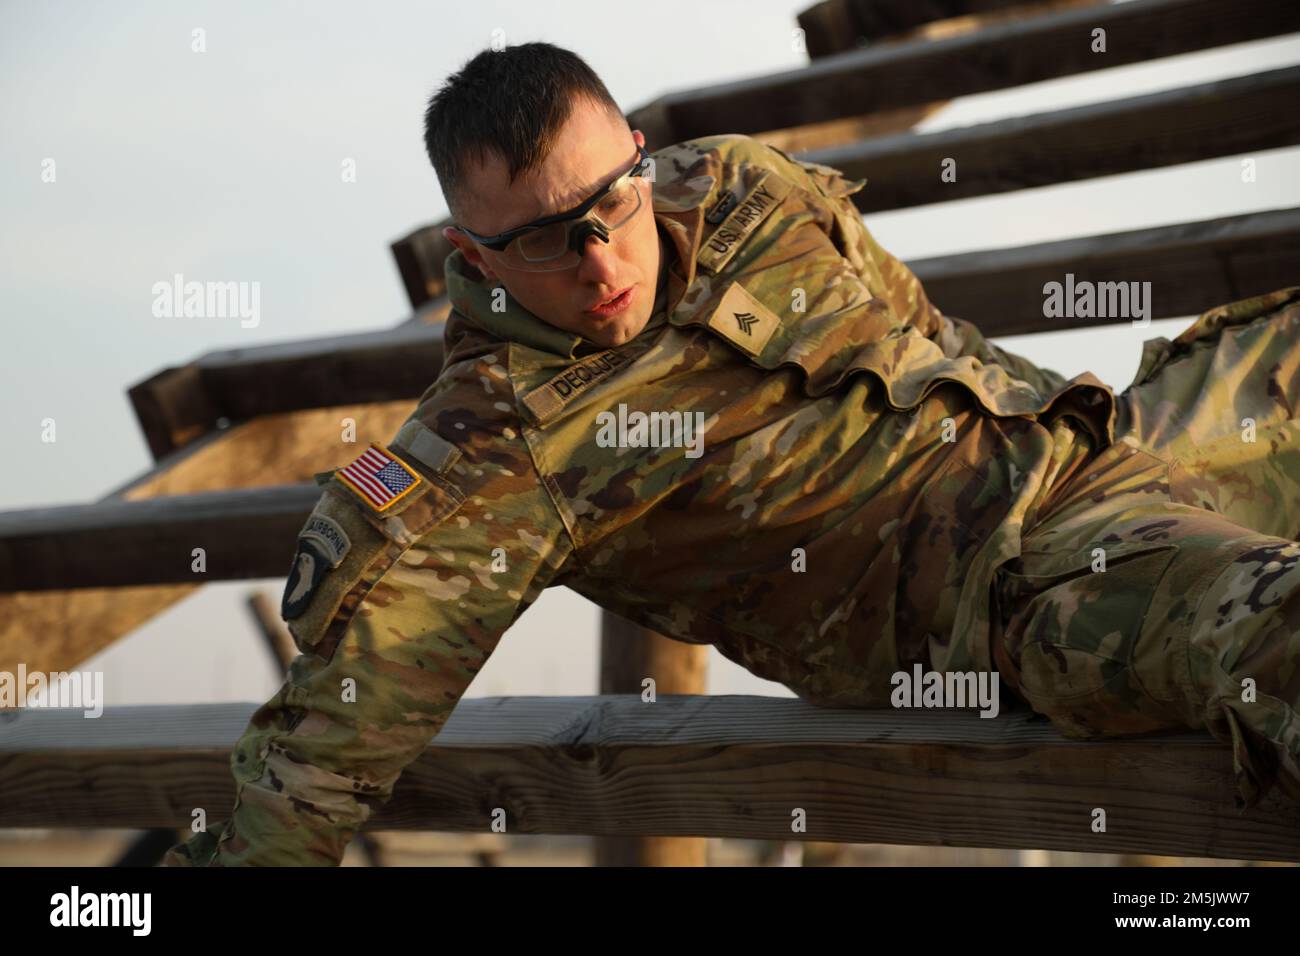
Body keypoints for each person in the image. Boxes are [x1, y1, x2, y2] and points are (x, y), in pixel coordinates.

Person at [161, 42, 1300, 866]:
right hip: (1026, 583)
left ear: (641, 155)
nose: (602, 259)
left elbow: (921, 330)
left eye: (613, 201)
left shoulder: (747, 186)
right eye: (548, 243)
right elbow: (320, 754)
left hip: (1104, 437)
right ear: (473, 254)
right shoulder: (491, 448)